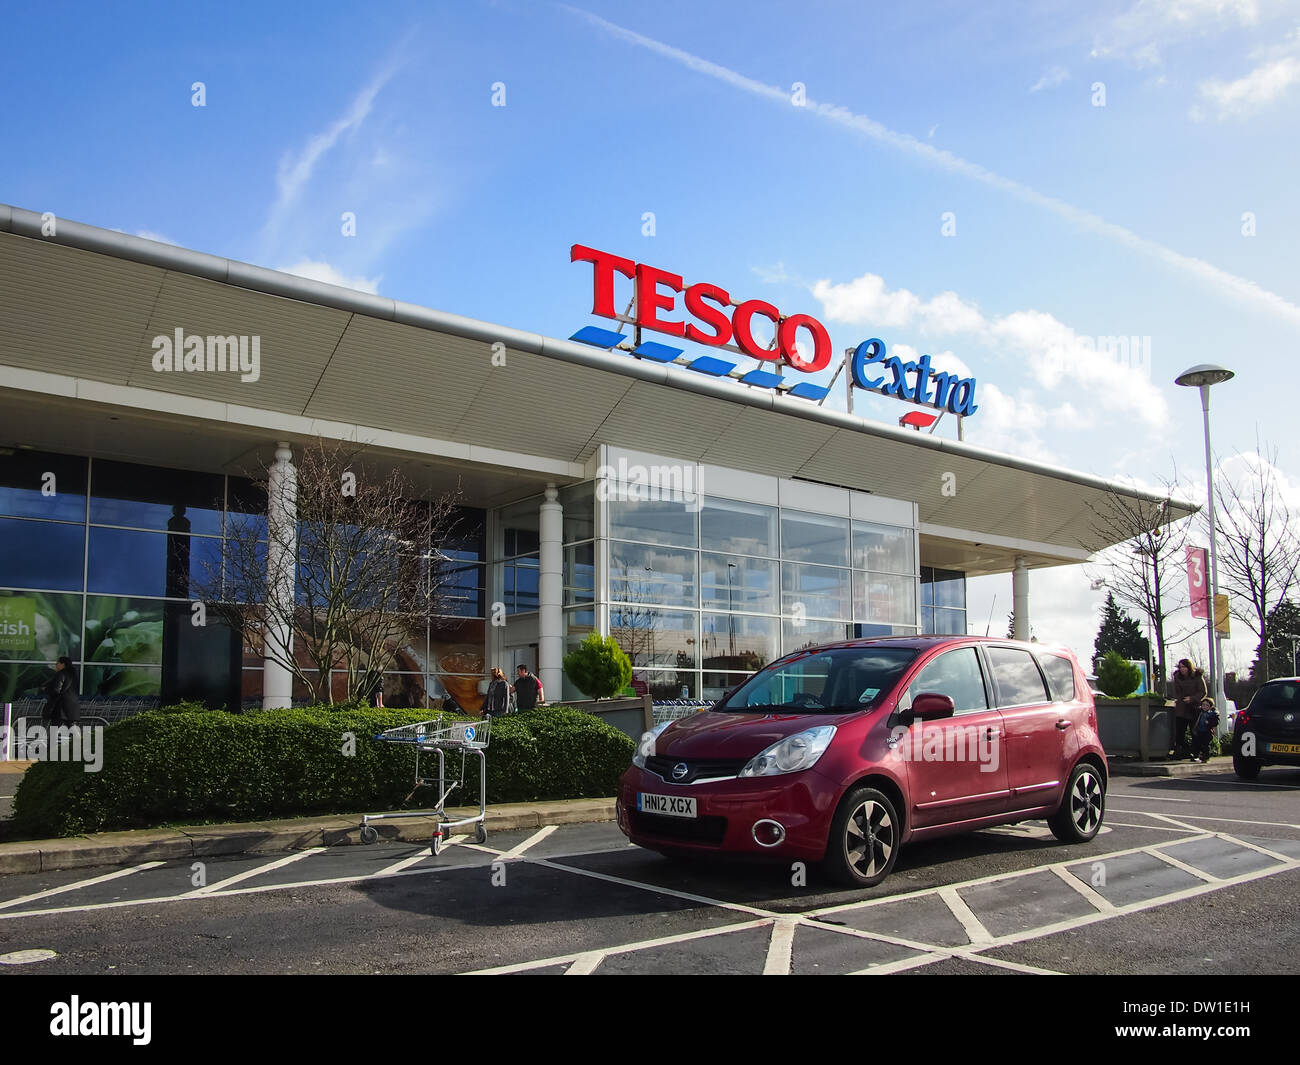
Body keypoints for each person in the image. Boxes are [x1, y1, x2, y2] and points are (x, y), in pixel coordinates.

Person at [1171, 658, 1206, 758]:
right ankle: (1182, 751)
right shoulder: (1177, 677)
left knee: (1194, 731)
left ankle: (1196, 752)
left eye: (1184, 667)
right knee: (1179, 732)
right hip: (1181, 707)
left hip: (1193, 707)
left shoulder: (1197, 676)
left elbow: (1202, 691)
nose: (1182, 669)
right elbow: (1177, 692)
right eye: (1180, 667)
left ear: (1188, 667)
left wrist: (1192, 699)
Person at [42, 656, 81, 725]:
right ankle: (78, 736)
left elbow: (56, 690)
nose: (56, 665)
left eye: (57, 663)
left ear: (63, 664)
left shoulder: (61, 674)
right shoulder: (74, 675)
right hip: (73, 707)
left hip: (61, 708)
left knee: (55, 729)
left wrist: (46, 690)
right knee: (72, 728)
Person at [1191, 696, 1220, 764]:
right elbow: (1194, 719)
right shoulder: (1199, 712)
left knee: (1205, 745)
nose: (1204, 707)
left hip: (1207, 732)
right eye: (1203, 705)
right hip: (1199, 730)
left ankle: (1205, 757)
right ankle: (1196, 755)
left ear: (1210, 707)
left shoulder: (1212, 714)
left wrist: (1209, 723)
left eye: (1207, 705)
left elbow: (1216, 722)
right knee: (1197, 744)